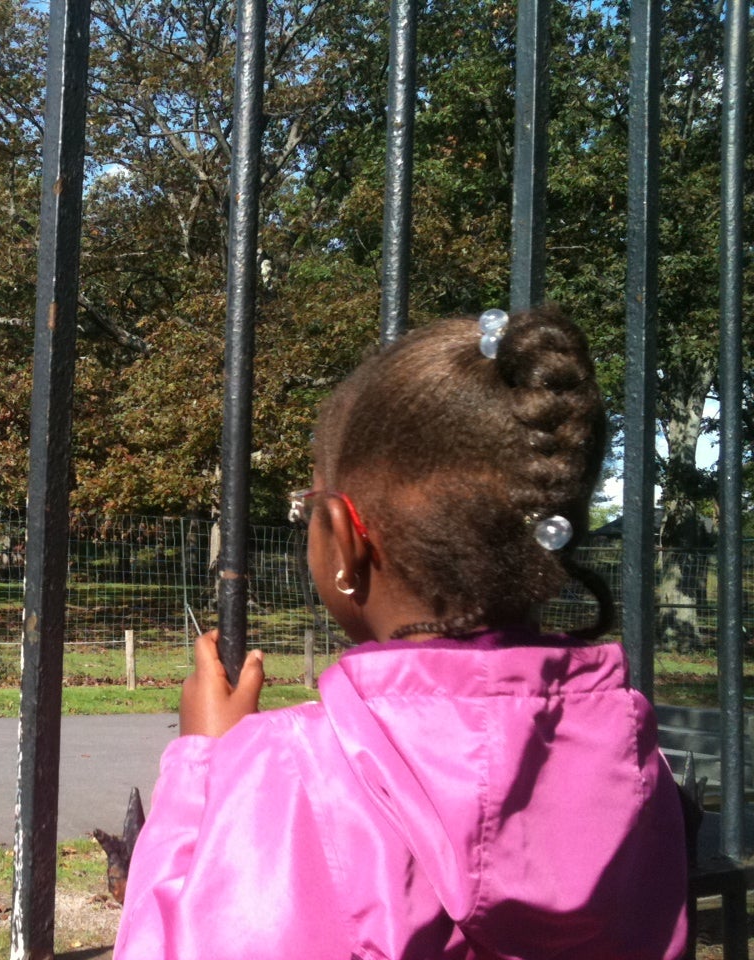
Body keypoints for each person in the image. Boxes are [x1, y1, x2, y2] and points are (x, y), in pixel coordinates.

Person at [113, 306, 689, 959]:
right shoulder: (637, 767)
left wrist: (203, 767)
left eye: (308, 507)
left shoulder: (293, 771)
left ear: (345, 537)